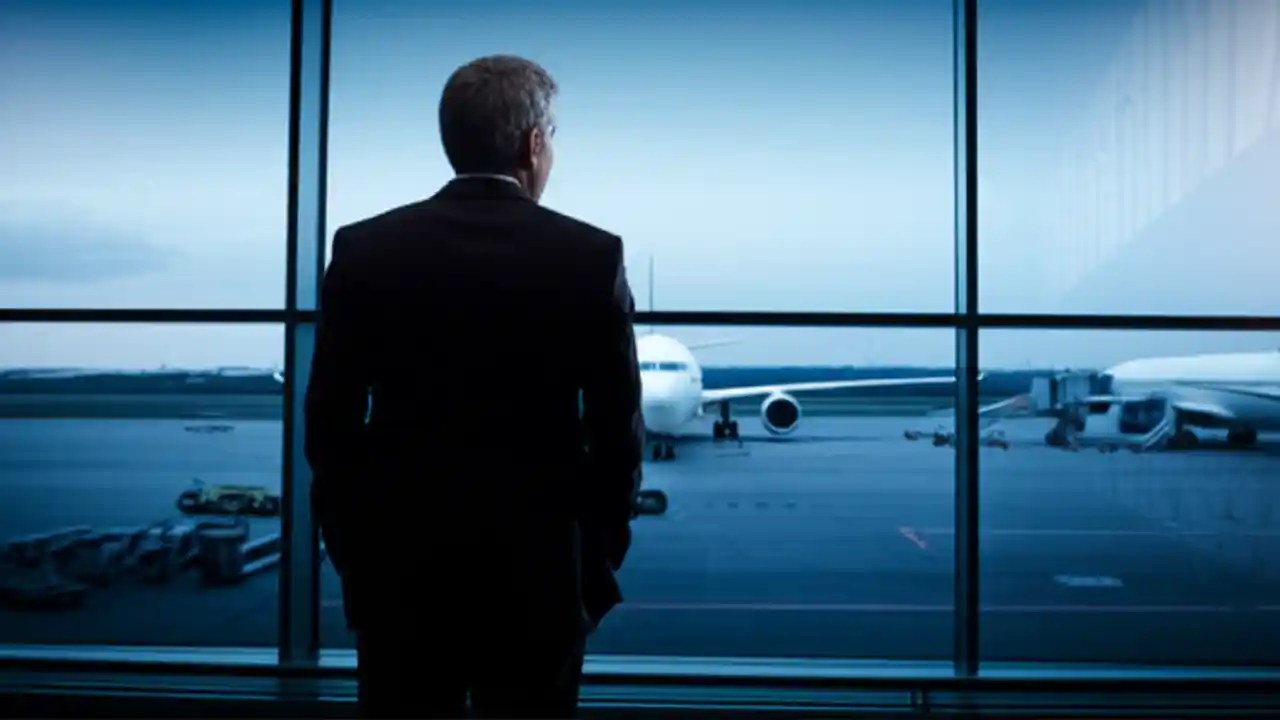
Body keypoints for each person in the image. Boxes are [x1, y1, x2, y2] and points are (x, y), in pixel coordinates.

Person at [304, 54, 645, 718]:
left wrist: (359, 555)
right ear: (534, 143)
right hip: (539, 575)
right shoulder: (589, 255)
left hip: (401, 576)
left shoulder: (364, 248)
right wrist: (595, 558)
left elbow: (330, 426)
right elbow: (616, 433)